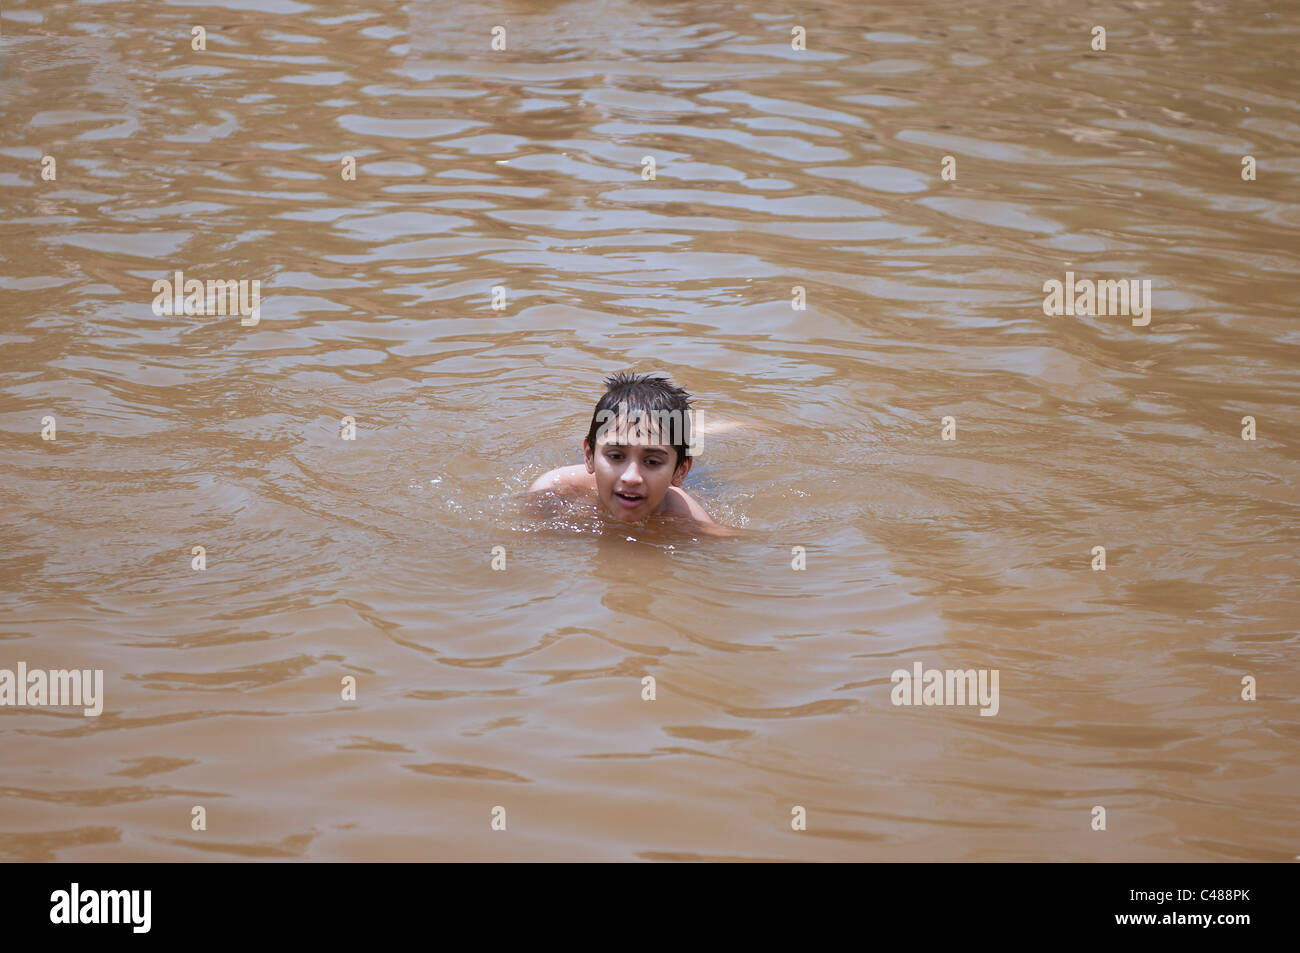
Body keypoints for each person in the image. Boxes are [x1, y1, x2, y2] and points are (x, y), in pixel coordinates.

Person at [528, 372, 721, 529]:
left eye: (652, 462)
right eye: (616, 456)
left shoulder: (689, 518)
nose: (631, 477)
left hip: (695, 479)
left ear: (681, 471)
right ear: (589, 457)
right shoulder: (553, 491)